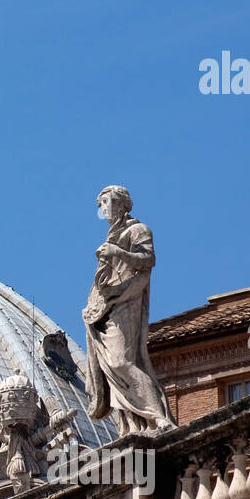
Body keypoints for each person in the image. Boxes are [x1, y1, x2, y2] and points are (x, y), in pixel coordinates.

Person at [83, 185, 174, 435]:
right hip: (105, 308)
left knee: (122, 361)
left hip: (128, 299)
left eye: (105, 202)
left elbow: (148, 260)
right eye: (99, 204)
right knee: (111, 366)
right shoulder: (110, 237)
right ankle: (132, 425)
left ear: (120, 203)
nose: (102, 208)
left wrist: (116, 252)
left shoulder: (138, 230)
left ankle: (157, 416)